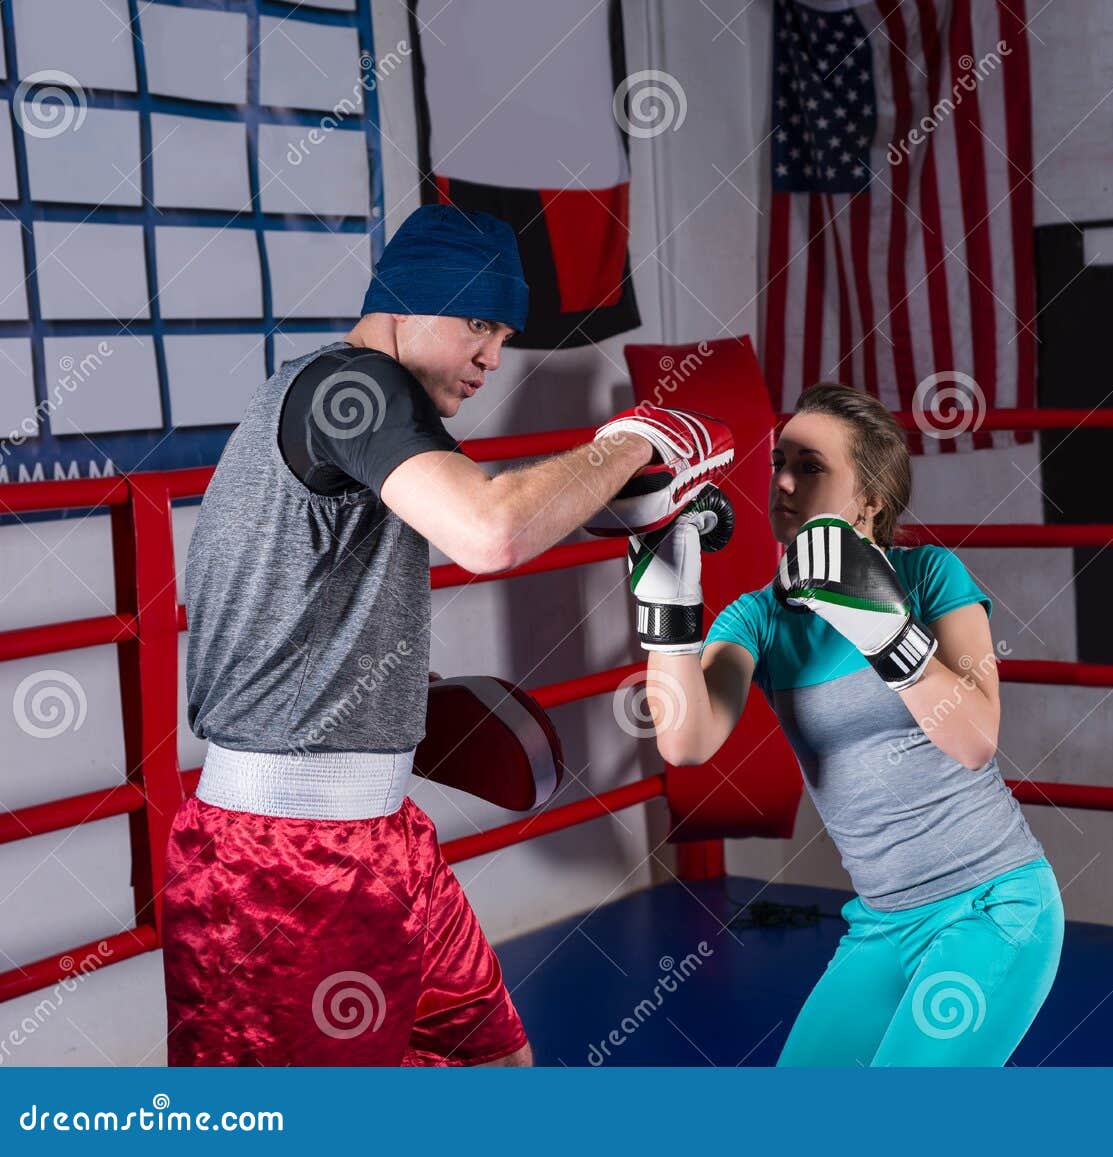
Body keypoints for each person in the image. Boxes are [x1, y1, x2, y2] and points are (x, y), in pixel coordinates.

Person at [165, 203, 731, 1066]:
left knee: (491, 1065)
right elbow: (491, 532)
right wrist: (634, 441)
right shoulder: (350, 386)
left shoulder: (347, 410)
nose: (492, 359)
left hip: (384, 840)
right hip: (279, 865)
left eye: (503, 334)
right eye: (476, 323)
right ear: (404, 301)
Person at [627, 382, 1063, 1066]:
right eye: (780, 462)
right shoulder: (758, 617)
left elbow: (976, 737)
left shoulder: (929, 576)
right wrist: (669, 611)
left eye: (810, 465)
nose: (782, 480)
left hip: (992, 905)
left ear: (870, 501)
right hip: (883, 924)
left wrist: (891, 636)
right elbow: (687, 740)